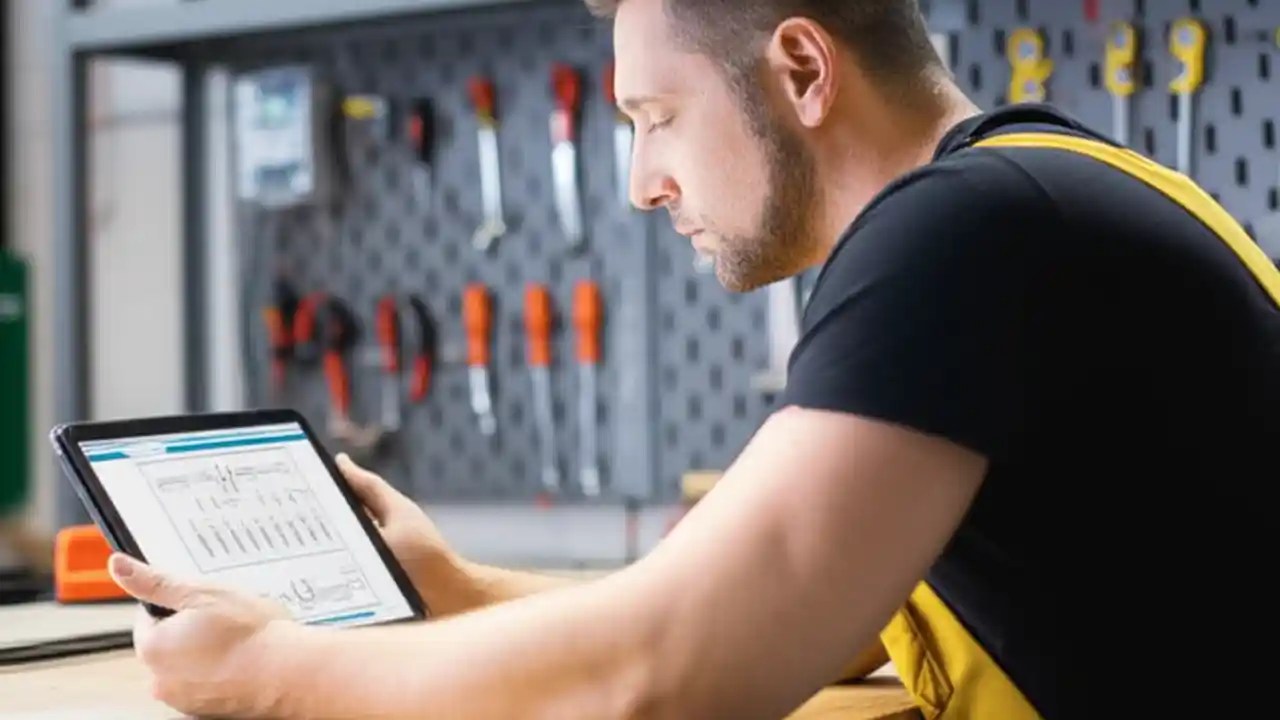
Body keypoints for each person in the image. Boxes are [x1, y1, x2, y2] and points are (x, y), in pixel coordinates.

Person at [105, 0, 1280, 717]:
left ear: (803, 71)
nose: (640, 183)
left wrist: (274, 677)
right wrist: (458, 585)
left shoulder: (962, 231)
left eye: (652, 117)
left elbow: (664, 681)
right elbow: (797, 618)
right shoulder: (1051, 185)